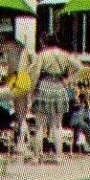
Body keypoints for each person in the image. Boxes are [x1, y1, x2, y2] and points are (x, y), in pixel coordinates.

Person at [32, 31, 83, 163]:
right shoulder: (65, 54)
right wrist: (68, 80)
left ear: (45, 42)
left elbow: (36, 73)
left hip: (44, 86)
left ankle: (37, 156)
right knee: (57, 125)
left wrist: (32, 89)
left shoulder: (42, 54)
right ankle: (58, 156)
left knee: (39, 126)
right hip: (59, 87)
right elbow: (80, 68)